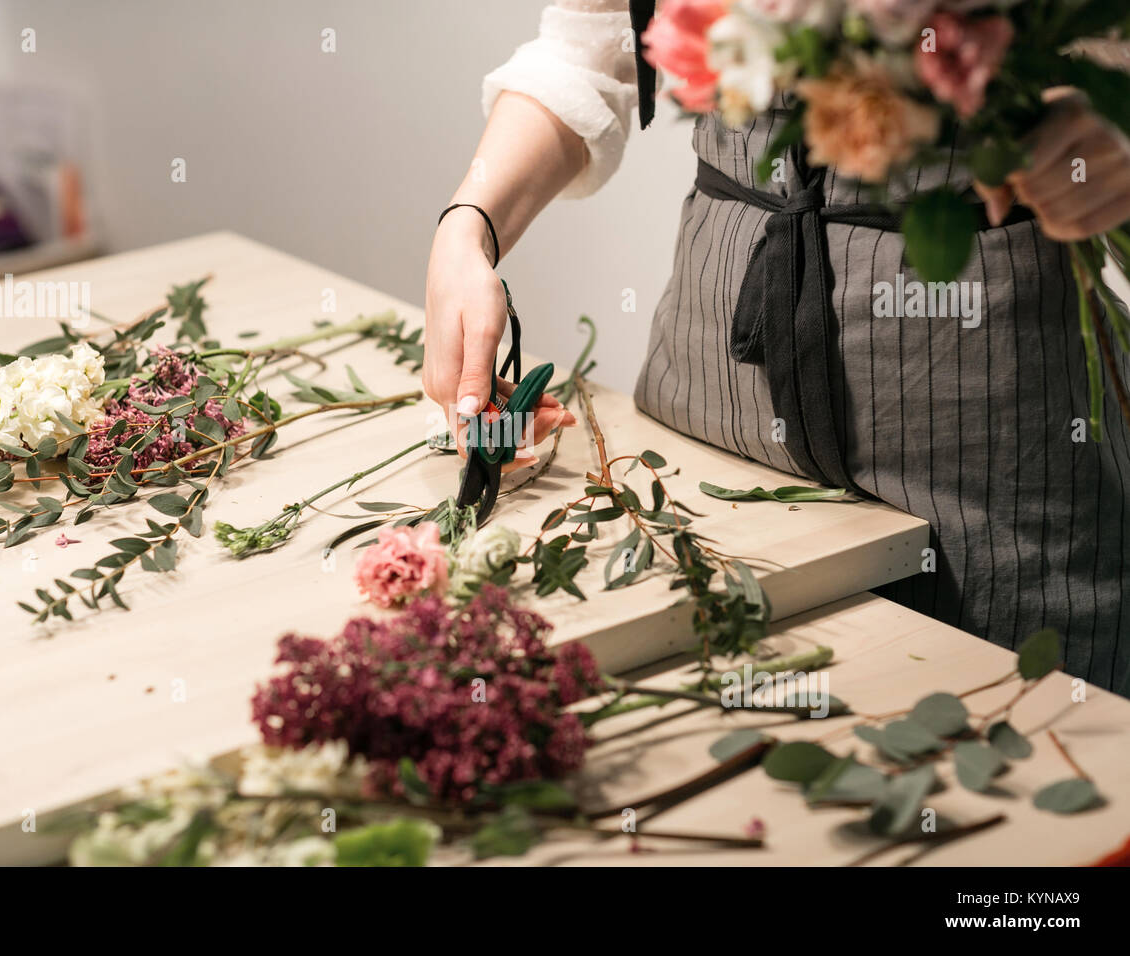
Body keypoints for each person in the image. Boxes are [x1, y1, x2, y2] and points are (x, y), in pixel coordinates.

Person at [423, 1, 1130, 694]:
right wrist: (467, 227)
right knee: (696, 721)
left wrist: (1112, 137)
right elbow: (589, 46)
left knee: (1021, 732)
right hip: (707, 399)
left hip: (989, 418)